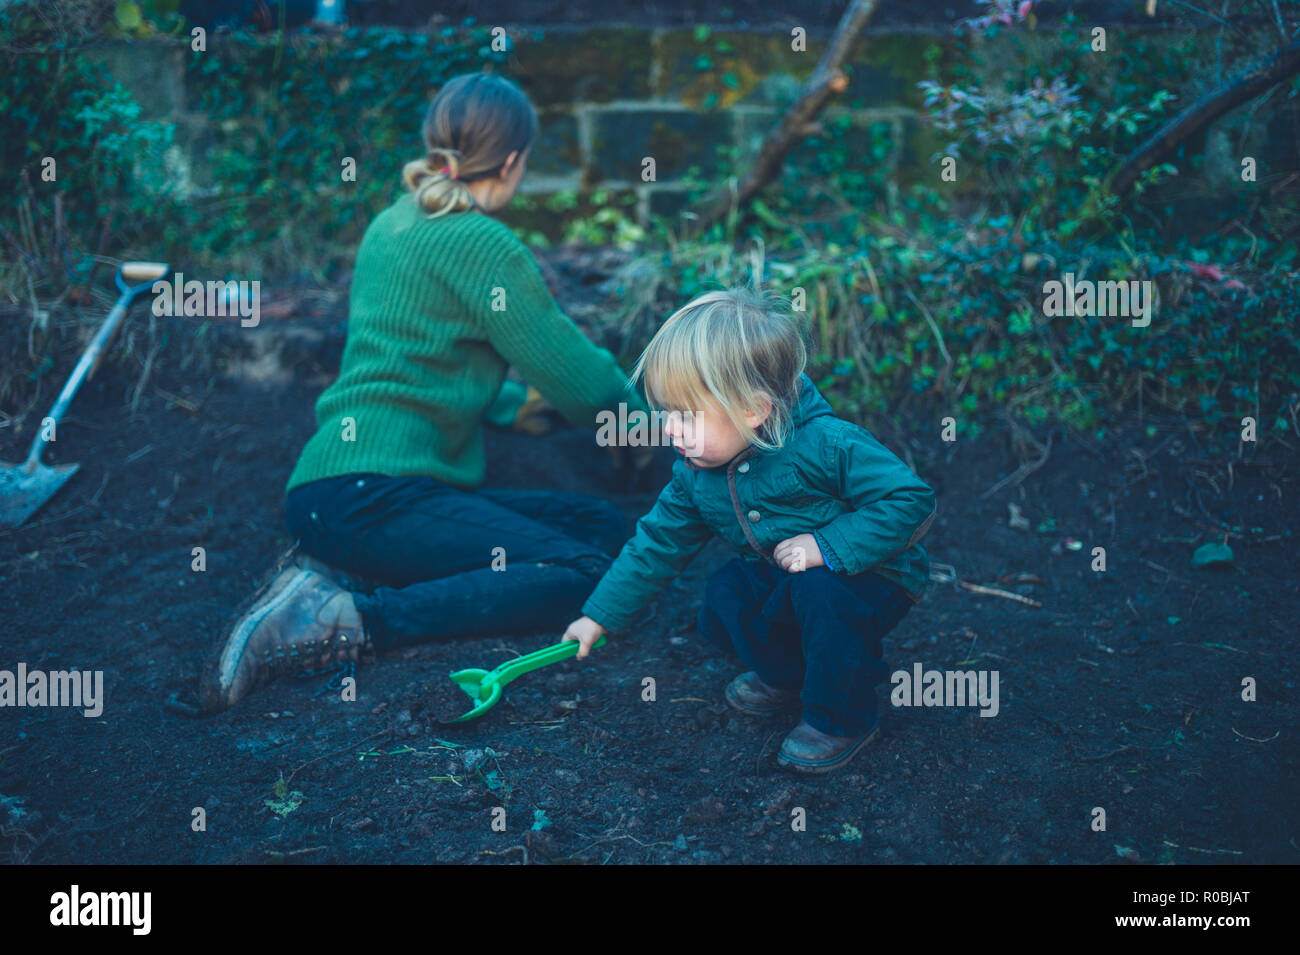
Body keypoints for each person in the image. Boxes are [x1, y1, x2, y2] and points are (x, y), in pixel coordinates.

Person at [203, 72, 652, 712]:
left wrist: (507, 406)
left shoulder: (392, 222)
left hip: (337, 492)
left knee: (601, 526)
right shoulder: (483, 244)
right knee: (588, 575)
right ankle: (348, 617)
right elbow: (579, 379)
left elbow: (407, 351)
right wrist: (639, 428)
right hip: (374, 496)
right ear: (516, 159)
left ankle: (344, 570)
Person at [561, 286, 937, 774]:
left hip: (873, 575)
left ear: (753, 410)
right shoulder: (696, 473)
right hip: (791, 577)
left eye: (685, 415)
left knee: (822, 596)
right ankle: (790, 674)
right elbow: (656, 544)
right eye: (665, 412)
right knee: (726, 592)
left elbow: (911, 500)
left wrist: (827, 545)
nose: (669, 429)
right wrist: (600, 616)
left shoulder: (828, 445)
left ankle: (842, 717)